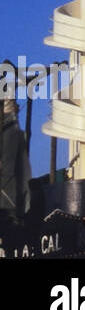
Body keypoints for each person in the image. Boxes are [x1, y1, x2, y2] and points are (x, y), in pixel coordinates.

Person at [0, 98, 30, 232]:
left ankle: (11, 214)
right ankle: (12, 214)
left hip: (7, 119)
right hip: (9, 118)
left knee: (8, 172)